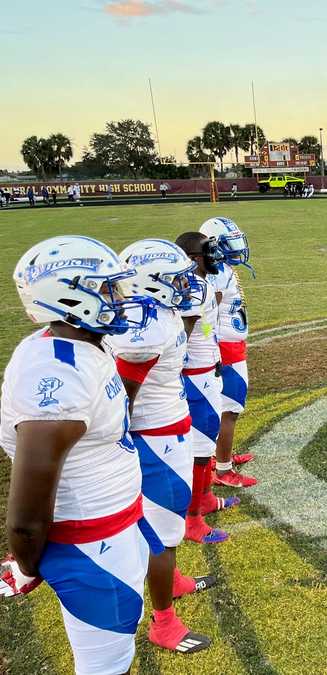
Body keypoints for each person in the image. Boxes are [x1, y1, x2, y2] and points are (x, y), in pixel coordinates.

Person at [1, 236, 158, 675]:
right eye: (106, 288)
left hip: (111, 526)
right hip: (90, 541)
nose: (120, 299)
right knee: (106, 666)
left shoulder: (79, 345)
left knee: (118, 645)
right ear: (69, 294)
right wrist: (28, 564)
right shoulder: (55, 375)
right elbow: (26, 511)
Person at [108, 239, 215, 654]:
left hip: (168, 429)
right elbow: (124, 400)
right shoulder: (145, 327)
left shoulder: (155, 314)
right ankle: (163, 622)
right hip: (154, 438)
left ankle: (171, 583)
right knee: (162, 531)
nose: (184, 284)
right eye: (174, 278)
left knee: (165, 524)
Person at [174, 232, 232, 544]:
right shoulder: (192, 289)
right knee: (199, 451)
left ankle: (205, 498)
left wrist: (216, 355)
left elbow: (204, 327)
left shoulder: (203, 286)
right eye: (207, 252)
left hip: (207, 371)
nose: (214, 257)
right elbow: (180, 338)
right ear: (194, 258)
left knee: (206, 444)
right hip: (195, 378)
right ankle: (192, 518)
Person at [200, 217, 257, 488]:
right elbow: (209, 311)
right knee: (230, 409)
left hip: (228, 344)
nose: (236, 248)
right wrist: (214, 348)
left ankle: (219, 456)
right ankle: (223, 469)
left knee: (226, 407)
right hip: (226, 348)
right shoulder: (218, 272)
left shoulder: (220, 268)